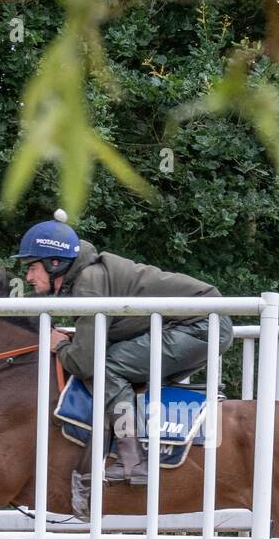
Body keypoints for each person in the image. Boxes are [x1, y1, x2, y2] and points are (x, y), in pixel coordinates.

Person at [14, 209, 233, 511]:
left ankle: (133, 460)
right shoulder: (87, 277)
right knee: (115, 366)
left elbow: (86, 363)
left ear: (54, 263)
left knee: (108, 366)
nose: (27, 277)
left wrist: (60, 346)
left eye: (31, 267)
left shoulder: (88, 283)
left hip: (200, 326)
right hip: (194, 323)